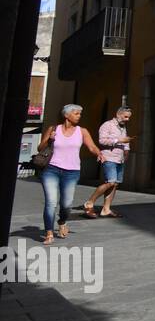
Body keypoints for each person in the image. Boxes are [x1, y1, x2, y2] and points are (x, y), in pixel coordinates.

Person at [37, 104, 102, 245]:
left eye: (80, 113)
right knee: (51, 202)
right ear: (66, 115)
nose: (79, 116)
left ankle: (62, 221)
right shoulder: (53, 129)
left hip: (72, 172)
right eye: (76, 113)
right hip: (51, 170)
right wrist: (49, 140)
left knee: (66, 204)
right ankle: (49, 233)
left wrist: (99, 153)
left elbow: (91, 146)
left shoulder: (82, 131)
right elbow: (40, 147)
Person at [84, 104, 133, 218]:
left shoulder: (123, 127)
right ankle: (89, 202)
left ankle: (106, 209)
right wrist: (119, 140)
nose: (127, 119)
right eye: (125, 117)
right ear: (118, 115)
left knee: (115, 184)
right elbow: (102, 140)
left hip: (119, 158)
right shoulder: (107, 125)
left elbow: (125, 141)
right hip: (109, 157)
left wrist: (127, 151)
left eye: (129, 117)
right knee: (110, 182)